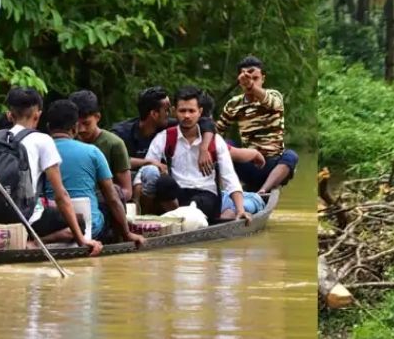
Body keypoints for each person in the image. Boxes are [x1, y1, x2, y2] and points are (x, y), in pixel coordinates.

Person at [0, 88, 102, 254]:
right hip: (24, 219)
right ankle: (34, 243)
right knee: (80, 222)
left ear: (10, 115)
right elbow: (61, 195)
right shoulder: (43, 140)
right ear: (37, 115)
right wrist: (81, 240)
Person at [140, 86, 250, 223]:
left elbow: (229, 178)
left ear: (200, 112)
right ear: (174, 111)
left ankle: (177, 219)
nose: (187, 116)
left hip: (206, 195)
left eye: (191, 111)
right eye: (182, 111)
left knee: (198, 203)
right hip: (177, 195)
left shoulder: (215, 141)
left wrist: (240, 210)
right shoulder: (164, 137)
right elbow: (145, 172)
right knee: (163, 182)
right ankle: (179, 219)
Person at [43, 100, 144, 246]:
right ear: (75, 128)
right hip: (90, 227)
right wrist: (127, 233)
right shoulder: (92, 152)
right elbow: (112, 198)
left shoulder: (38, 152)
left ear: (48, 127)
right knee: (113, 194)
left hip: (51, 224)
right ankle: (116, 241)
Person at [111, 86, 217, 200]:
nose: (170, 113)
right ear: (154, 114)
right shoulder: (121, 133)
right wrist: (148, 162)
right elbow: (111, 160)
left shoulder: (168, 125)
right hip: (127, 181)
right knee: (148, 173)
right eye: (166, 110)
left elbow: (207, 123)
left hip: (161, 183)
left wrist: (204, 149)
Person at [217, 56, 299, 194]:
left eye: (255, 78)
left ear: (263, 79)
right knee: (223, 145)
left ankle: (263, 190)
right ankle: (223, 191)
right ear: (240, 80)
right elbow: (217, 131)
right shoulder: (233, 104)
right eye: (247, 79)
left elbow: (270, 102)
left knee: (291, 155)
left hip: (272, 165)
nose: (251, 82)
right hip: (249, 162)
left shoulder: (274, 95)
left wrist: (251, 86)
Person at [69, 90, 132, 203]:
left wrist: (110, 195)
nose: (81, 129)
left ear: (97, 117)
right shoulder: (69, 143)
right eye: (77, 125)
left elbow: (127, 191)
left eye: (86, 123)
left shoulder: (114, 144)